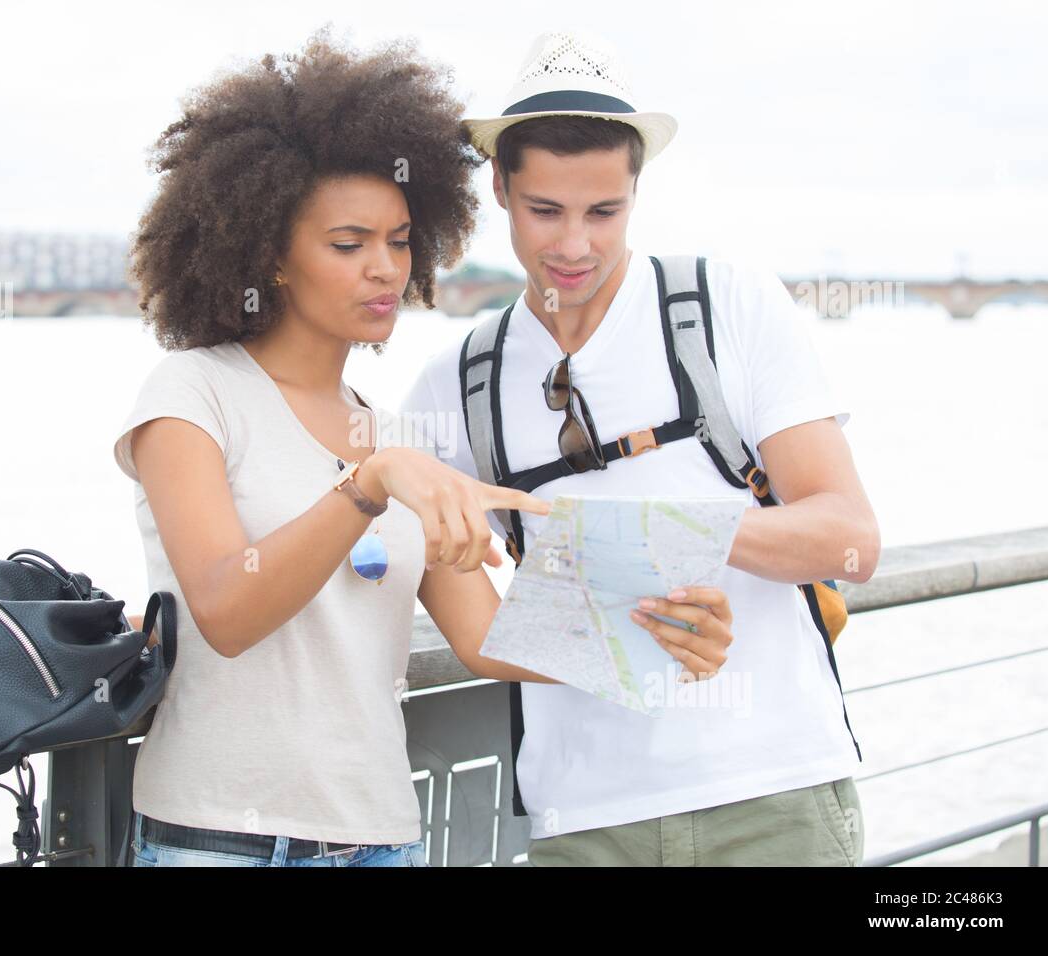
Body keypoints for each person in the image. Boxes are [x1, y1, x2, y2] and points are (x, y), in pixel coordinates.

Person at [399, 31, 881, 866]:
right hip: (580, 826)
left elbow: (851, 539)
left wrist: (665, 536)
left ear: (636, 189)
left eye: (604, 212)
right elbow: (478, 636)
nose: (575, 245)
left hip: (777, 797)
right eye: (545, 210)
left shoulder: (729, 306)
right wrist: (633, 616)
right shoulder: (454, 384)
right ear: (501, 188)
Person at [110, 29, 569, 868]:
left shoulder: (394, 441)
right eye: (348, 244)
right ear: (270, 256)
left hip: (378, 839)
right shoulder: (191, 395)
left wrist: (654, 623)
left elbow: (487, 637)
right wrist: (366, 488)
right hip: (217, 838)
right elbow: (226, 610)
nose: (385, 270)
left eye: (398, 241)